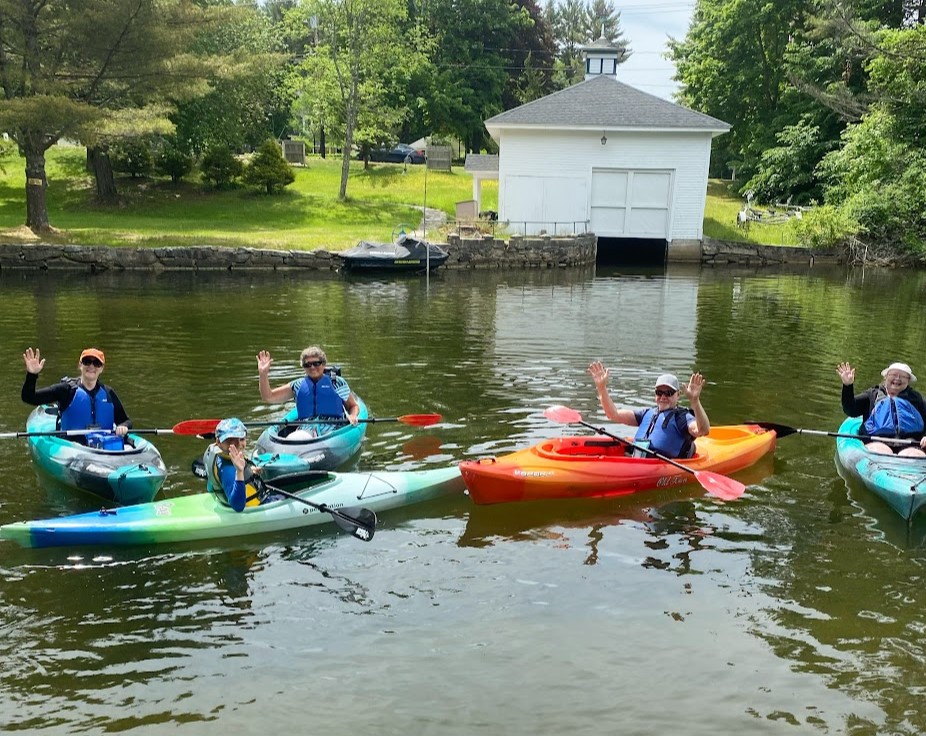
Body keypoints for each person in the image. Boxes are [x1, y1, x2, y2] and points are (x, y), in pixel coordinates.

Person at [587, 361, 711, 459]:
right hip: (638, 459)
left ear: (678, 395)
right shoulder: (647, 413)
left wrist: (695, 401)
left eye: (669, 393)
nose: (663, 397)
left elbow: (702, 430)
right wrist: (601, 387)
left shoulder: (682, 418)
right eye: (659, 392)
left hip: (663, 466)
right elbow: (613, 414)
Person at [21, 347, 132, 447]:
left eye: (97, 363)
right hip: (72, 447)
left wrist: (123, 427)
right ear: (80, 365)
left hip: (105, 446)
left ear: (101, 368)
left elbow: (125, 421)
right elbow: (29, 397)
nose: (91, 366)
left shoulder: (108, 393)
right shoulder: (66, 390)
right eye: (87, 362)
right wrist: (32, 375)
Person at [256, 347, 360, 430]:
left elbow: (353, 406)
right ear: (303, 367)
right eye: (307, 365)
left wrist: (353, 415)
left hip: (334, 428)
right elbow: (268, 397)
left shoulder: (337, 382)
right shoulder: (297, 385)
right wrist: (263, 374)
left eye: (316, 363)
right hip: (306, 430)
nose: (312, 367)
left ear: (324, 364)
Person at [837, 361, 926, 457]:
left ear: (908, 381)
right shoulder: (872, 395)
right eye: (894, 375)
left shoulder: (917, 399)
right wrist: (847, 386)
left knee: (913, 455)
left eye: (903, 376)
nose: (897, 378)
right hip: (876, 441)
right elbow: (850, 410)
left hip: (910, 444)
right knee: (879, 451)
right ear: (886, 377)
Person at [203, 418, 273, 512]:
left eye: (242, 439)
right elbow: (238, 507)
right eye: (231, 440)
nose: (239, 444)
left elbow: (210, 487)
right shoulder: (228, 470)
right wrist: (240, 471)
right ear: (218, 442)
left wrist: (248, 471)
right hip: (255, 508)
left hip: (232, 502)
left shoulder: (218, 455)